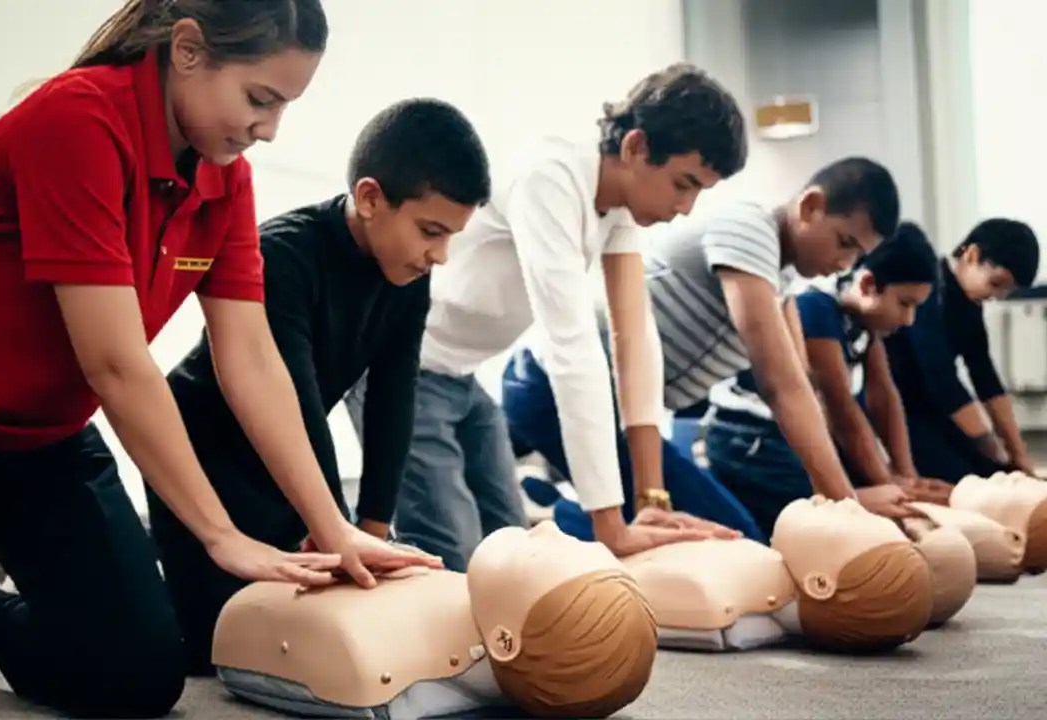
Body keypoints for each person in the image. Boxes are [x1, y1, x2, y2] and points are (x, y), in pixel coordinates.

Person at [0, 3, 427, 718]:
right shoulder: (79, 119)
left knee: (138, 671)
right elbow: (114, 362)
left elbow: (253, 360)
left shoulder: (223, 175)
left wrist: (333, 528)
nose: (268, 129)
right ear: (188, 51)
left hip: (35, 437)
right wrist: (220, 536)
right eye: (260, 99)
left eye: (283, 106)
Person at [150, 98, 489, 675]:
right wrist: (336, 531)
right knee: (209, 648)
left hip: (289, 466)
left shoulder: (407, 273)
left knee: (299, 627)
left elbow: (391, 397)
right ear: (370, 197)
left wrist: (373, 528)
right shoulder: (284, 255)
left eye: (452, 236)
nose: (441, 254)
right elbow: (298, 405)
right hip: (205, 456)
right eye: (431, 231)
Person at [378, 63, 748, 572]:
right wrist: (610, 525)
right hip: (402, 367)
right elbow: (571, 348)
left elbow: (635, 341)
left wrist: (652, 499)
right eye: (683, 184)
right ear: (636, 148)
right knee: (454, 551)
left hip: (462, 378)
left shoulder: (618, 211)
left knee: (512, 545)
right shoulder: (550, 176)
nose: (685, 207)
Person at [503, 157, 914, 545]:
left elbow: (802, 386)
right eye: (844, 243)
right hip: (555, 384)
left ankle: (564, 508)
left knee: (732, 537)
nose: (845, 263)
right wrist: (849, 508)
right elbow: (780, 386)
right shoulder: (749, 231)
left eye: (857, 254)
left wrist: (851, 493)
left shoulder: (783, 277)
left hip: (617, 411)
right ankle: (561, 518)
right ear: (810, 206)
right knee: (734, 541)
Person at [704, 223, 940, 537]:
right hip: (752, 438)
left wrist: (905, 475)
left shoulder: (863, 323)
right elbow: (841, 411)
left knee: (888, 502)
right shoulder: (815, 307)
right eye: (905, 304)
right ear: (869, 285)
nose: (908, 319)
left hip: (791, 439)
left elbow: (883, 396)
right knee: (832, 523)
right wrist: (878, 489)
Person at [883, 218, 1041, 483]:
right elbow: (940, 378)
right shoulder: (930, 285)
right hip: (899, 410)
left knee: (997, 475)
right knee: (968, 481)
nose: (998, 297)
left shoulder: (969, 304)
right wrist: (988, 443)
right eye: (996, 283)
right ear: (972, 255)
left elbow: (985, 377)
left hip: (933, 411)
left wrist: (1018, 454)